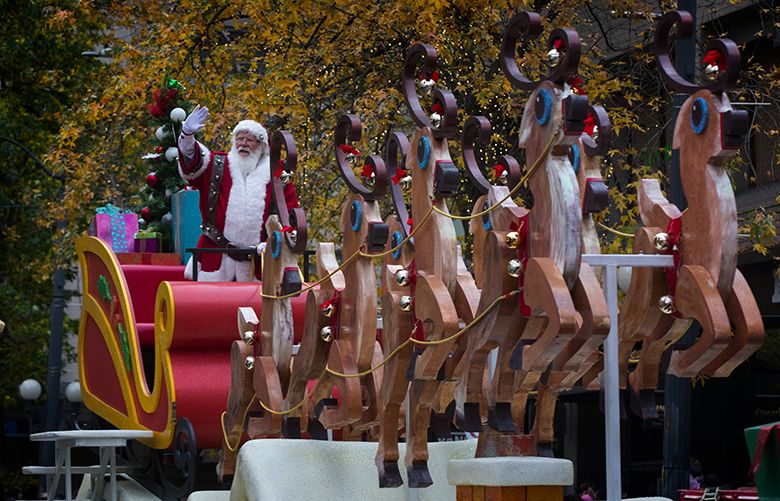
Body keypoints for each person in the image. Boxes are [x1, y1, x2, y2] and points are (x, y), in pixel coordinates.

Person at [177, 105, 298, 281]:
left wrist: (274, 241)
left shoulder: (277, 175)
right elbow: (191, 165)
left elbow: (290, 215)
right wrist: (187, 137)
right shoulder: (218, 165)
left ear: (262, 146)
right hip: (215, 260)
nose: (243, 144)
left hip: (260, 265)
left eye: (249, 140)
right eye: (239, 139)